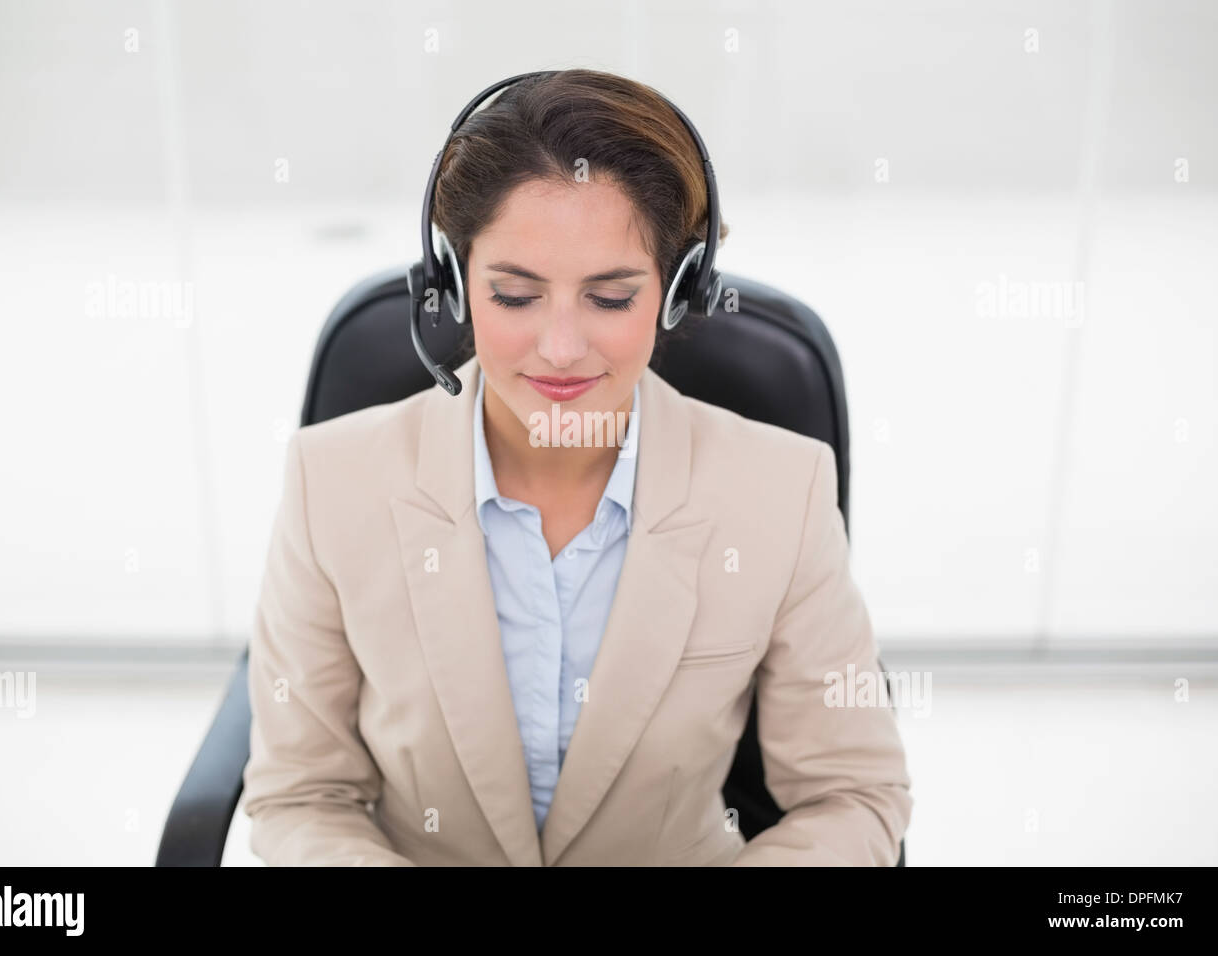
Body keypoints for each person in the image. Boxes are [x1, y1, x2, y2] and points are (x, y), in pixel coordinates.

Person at [240, 68, 912, 866]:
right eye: (516, 296)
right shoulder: (331, 483)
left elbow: (853, 794)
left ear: (676, 293)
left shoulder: (783, 491)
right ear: (454, 288)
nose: (560, 349)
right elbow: (302, 796)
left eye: (611, 298)